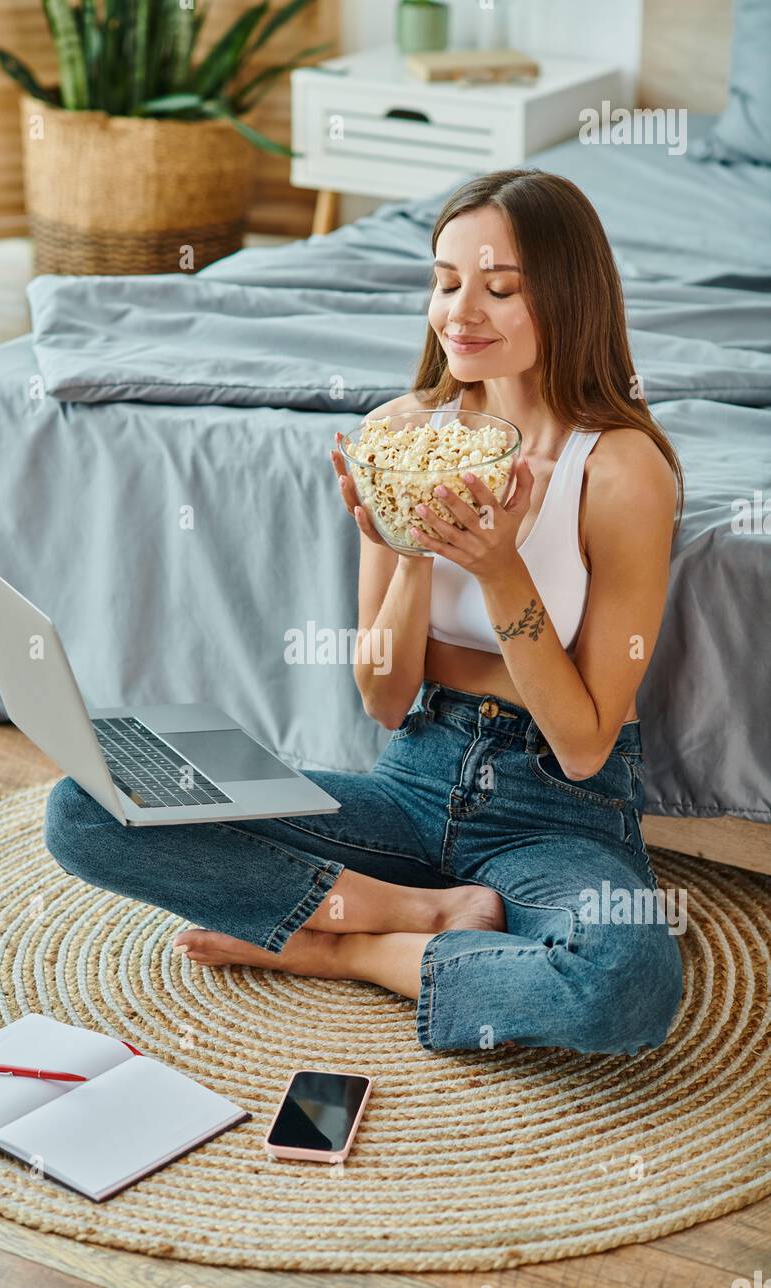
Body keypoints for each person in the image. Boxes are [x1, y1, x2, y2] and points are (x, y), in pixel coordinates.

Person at [45, 169, 684, 1056]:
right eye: (444, 279)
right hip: (413, 779)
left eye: (499, 288)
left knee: (628, 980)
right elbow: (385, 700)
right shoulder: (401, 433)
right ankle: (412, 908)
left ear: (567, 299)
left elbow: (583, 745)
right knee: (89, 796)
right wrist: (412, 544)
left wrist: (500, 573)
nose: (460, 311)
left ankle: (355, 953)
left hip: (559, 811)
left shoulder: (621, 470)